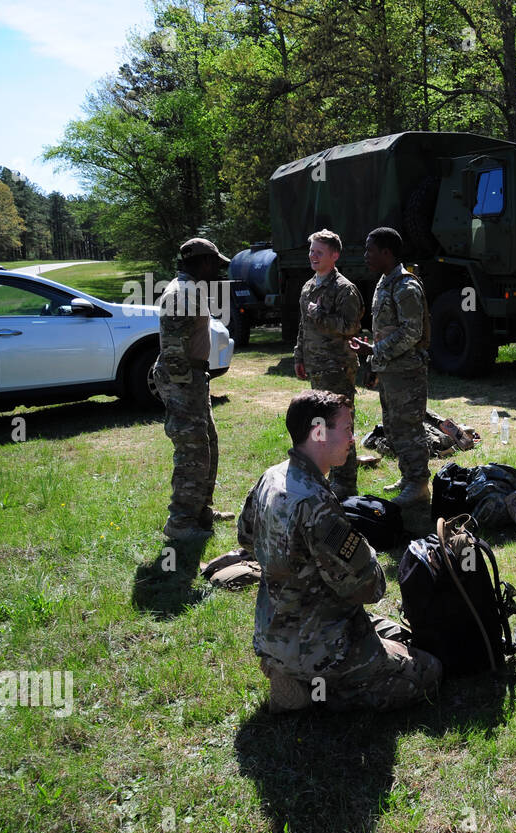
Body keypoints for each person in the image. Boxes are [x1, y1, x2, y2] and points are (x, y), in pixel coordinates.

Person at [238, 390, 442, 713]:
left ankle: (286, 670)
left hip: (274, 633)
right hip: (319, 647)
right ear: (319, 432)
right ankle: (314, 692)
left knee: (401, 634)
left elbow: (246, 535)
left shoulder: (271, 478)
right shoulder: (316, 503)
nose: (353, 438)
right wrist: (369, 555)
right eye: (346, 429)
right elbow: (368, 586)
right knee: (429, 670)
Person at [155, 237, 233, 540]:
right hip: (183, 380)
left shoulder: (189, 289)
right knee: (191, 451)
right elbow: (172, 346)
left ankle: (201, 509)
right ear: (202, 262)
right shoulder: (181, 292)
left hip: (193, 379)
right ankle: (181, 522)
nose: (217, 270)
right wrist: (185, 387)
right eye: (215, 264)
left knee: (207, 443)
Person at [363, 227, 430, 506]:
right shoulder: (384, 282)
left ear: (387, 253)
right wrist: (373, 358)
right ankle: (408, 476)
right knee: (393, 425)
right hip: (390, 369)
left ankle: (419, 485)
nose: (366, 255)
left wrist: (376, 351)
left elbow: (411, 332)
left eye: (371, 250)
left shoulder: (405, 285)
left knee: (409, 427)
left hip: (406, 371)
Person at [294, 229, 363, 499]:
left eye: (318, 252)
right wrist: (299, 356)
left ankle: (346, 485)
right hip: (315, 367)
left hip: (337, 369)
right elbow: (303, 325)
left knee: (341, 427)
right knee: (320, 424)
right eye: (311, 251)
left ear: (334, 256)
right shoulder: (308, 286)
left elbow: (351, 327)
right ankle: (327, 477)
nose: (313, 255)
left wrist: (320, 313)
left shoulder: (344, 289)